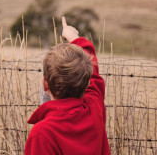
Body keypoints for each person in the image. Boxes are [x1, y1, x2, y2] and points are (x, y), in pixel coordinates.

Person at [25, 17, 110, 155]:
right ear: (86, 82)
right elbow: (93, 70)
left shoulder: (42, 134)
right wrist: (74, 37)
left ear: (45, 84)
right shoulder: (94, 107)